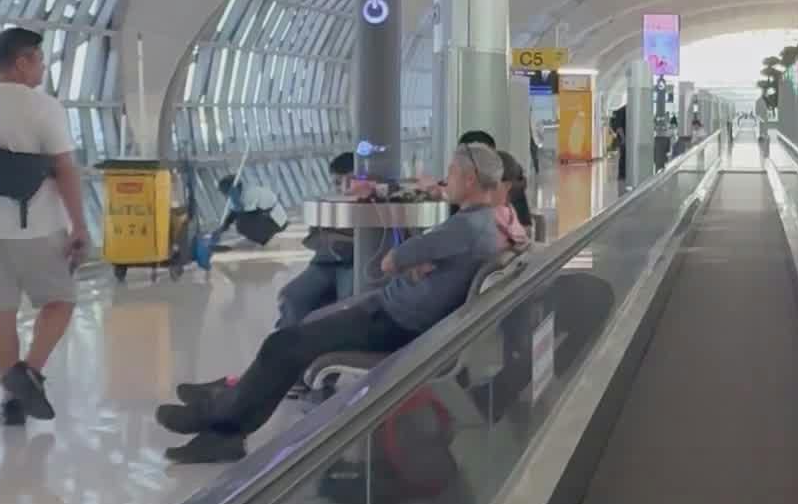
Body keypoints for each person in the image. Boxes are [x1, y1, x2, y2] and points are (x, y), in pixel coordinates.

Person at [155, 144, 527, 464]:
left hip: (394, 322)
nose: (447, 179)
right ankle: (225, 425)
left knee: (284, 344)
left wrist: (412, 264)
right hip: (396, 312)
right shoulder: (494, 223)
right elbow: (418, 262)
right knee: (293, 338)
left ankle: (216, 420)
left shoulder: (463, 228)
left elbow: (390, 261)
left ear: (470, 180)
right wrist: (421, 267)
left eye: (452, 172)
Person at [0, 24, 89, 426]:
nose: (43, 69)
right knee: (61, 302)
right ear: (21, 61)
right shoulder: (42, 106)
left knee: (1, 315)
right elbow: (65, 169)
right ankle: (27, 373)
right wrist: (79, 225)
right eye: (39, 60)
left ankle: (11, 400)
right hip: (37, 227)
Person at [277, 151, 359, 326]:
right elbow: (314, 238)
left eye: (351, 181)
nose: (344, 188)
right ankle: (290, 342)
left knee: (347, 303)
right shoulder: (327, 206)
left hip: (354, 264)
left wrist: (338, 240)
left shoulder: (376, 207)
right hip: (326, 262)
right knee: (291, 296)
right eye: (338, 183)